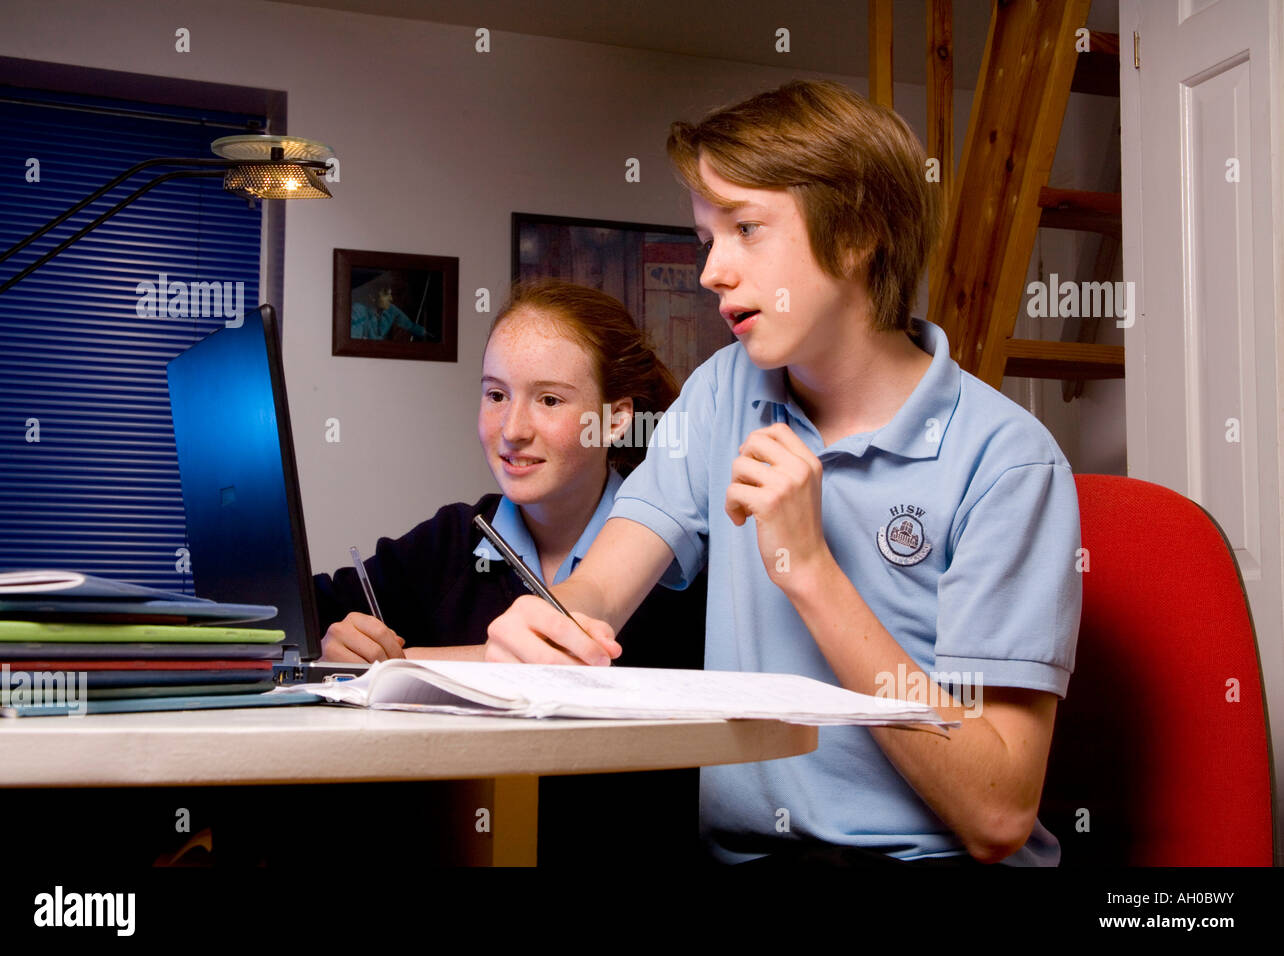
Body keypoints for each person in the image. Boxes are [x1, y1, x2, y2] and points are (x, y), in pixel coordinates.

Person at [484, 80, 1082, 867]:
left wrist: (810, 570)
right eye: (707, 238)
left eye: (745, 228)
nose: (712, 272)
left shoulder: (1006, 462)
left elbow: (997, 813)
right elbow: (601, 589)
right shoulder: (721, 391)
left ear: (859, 231)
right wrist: (553, 621)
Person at [315, 278, 706, 864]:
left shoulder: (675, 569)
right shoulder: (452, 539)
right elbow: (296, 611)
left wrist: (400, 667)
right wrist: (334, 644)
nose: (512, 429)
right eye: (496, 395)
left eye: (549, 400)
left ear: (617, 419)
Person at [350, 286, 428, 341]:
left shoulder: (391, 310)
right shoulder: (358, 310)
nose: (391, 299)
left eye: (390, 294)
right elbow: (354, 340)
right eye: (386, 294)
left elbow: (409, 325)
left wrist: (426, 333)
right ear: (372, 297)